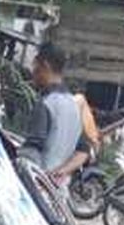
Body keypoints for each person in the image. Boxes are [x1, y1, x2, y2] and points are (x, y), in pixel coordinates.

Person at [20, 43, 82, 173]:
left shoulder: (46, 104)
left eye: (35, 64)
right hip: (60, 188)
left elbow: (31, 151)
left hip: (39, 184)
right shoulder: (74, 105)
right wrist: (61, 172)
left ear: (45, 65)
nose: (33, 71)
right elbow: (83, 151)